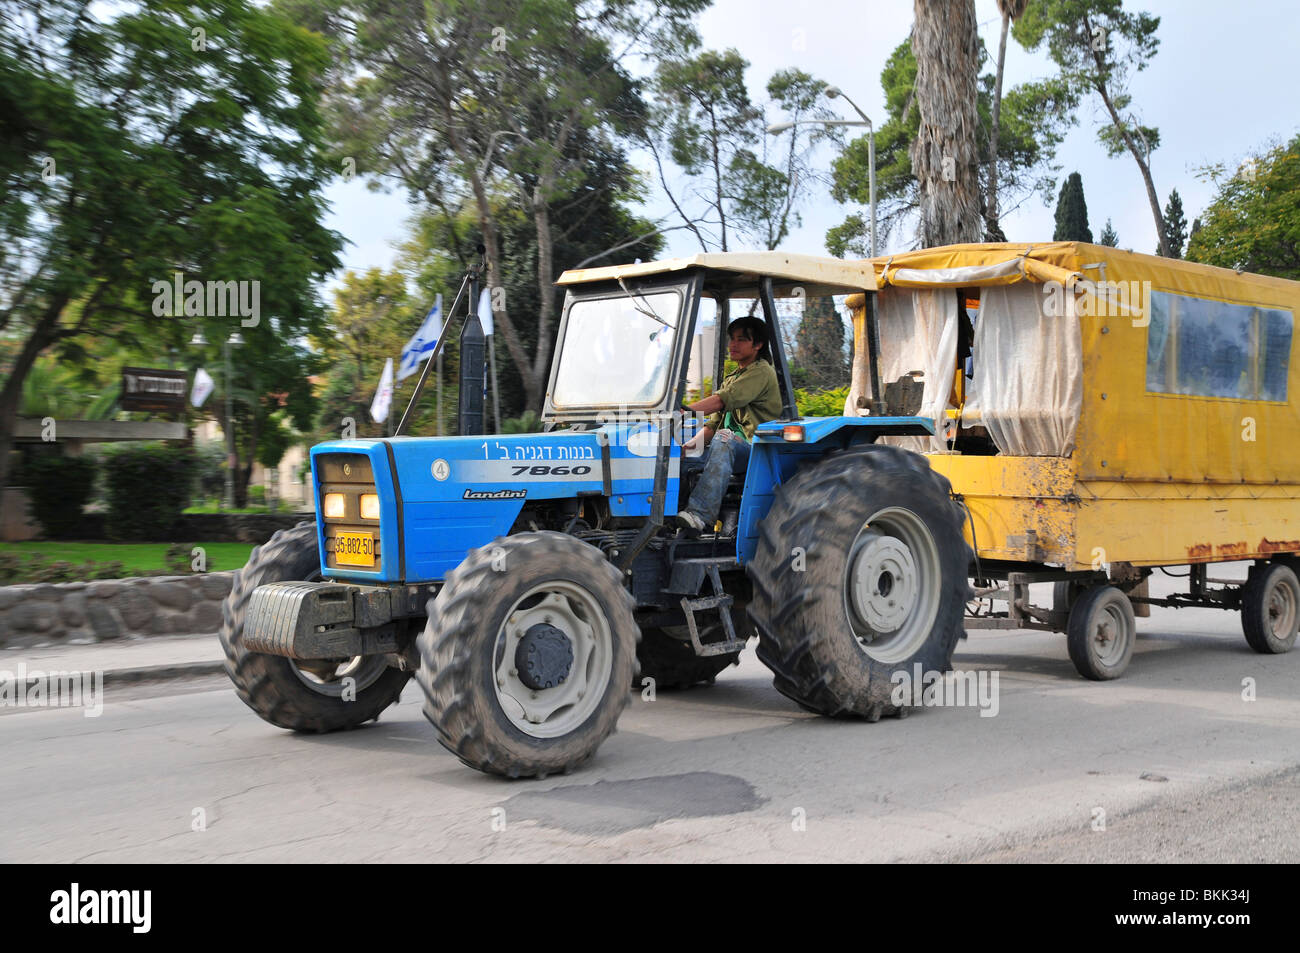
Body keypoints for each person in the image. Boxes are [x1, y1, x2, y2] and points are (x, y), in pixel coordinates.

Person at [676, 316, 782, 534]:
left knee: (725, 438)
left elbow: (720, 401)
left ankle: (700, 515)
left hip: (756, 449)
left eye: (742, 339)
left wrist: (683, 412)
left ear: (758, 345)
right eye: (732, 339)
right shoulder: (734, 376)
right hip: (727, 447)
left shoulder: (760, 371)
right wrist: (688, 449)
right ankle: (670, 520)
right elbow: (714, 424)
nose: (733, 344)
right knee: (677, 459)